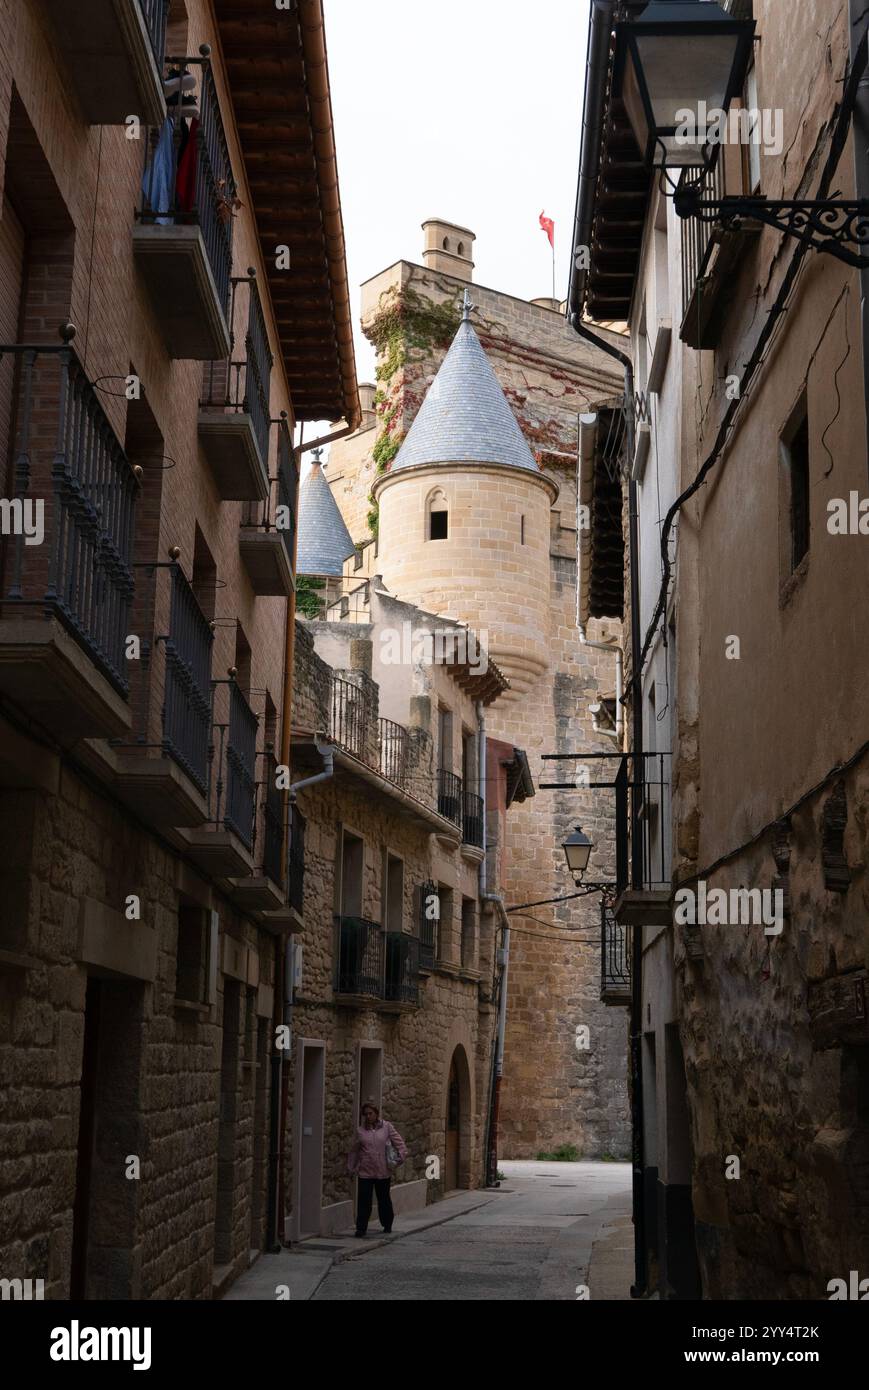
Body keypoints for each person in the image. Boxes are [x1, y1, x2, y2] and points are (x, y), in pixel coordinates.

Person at [347, 1102, 408, 1237]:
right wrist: (351, 1168)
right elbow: (354, 1151)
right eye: (366, 1114)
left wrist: (399, 1159)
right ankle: (361, 1228)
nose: (368, 1116)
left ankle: (387, 1224)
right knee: (364, 1201)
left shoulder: (387, 1127)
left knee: (384, 1199)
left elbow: (399, 1144)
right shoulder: (360, 1131)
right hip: (365, 1172)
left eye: (371, 1113)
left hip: (383, 1172)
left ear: (376, 1113)